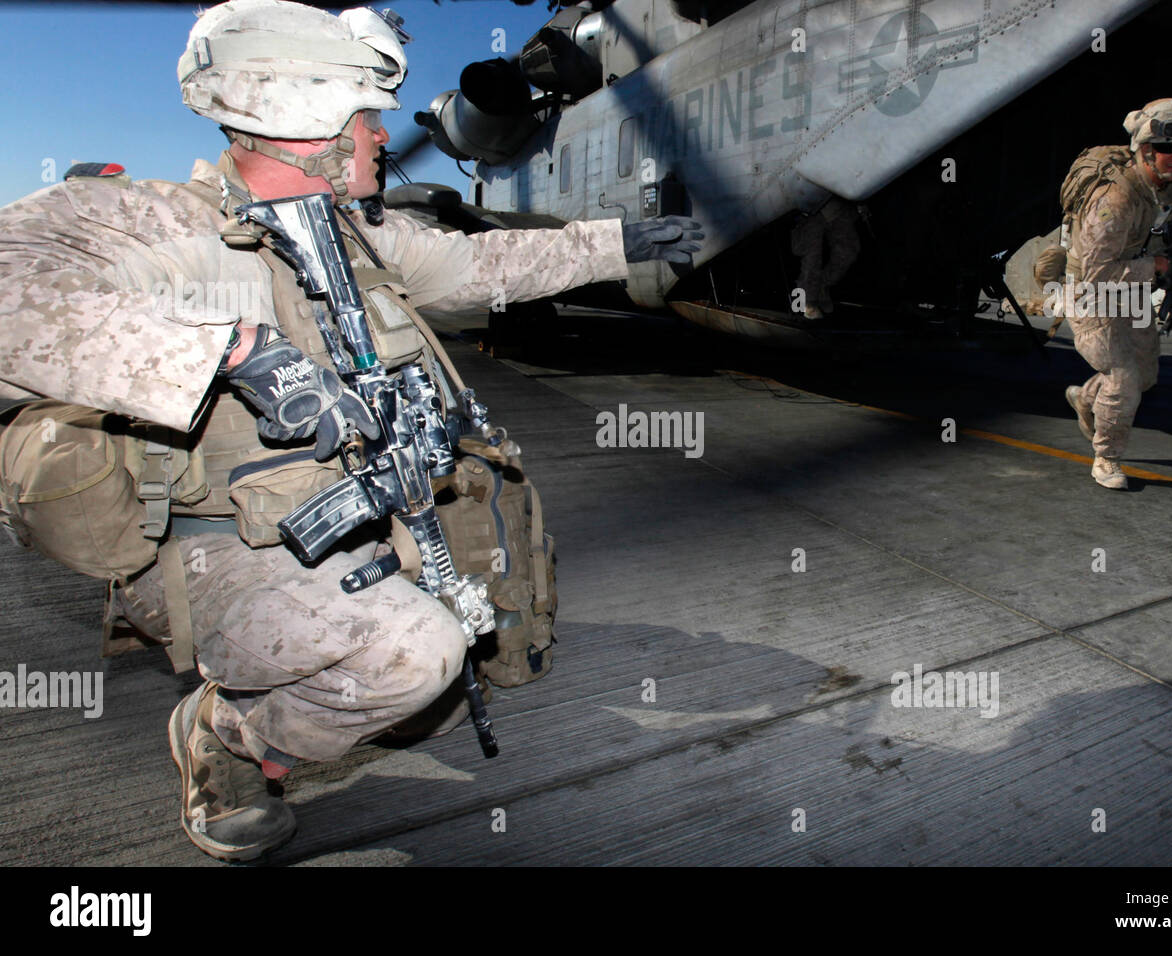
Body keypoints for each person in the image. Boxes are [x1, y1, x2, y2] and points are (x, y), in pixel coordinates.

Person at [0, 0, 700, 862]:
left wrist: (617, 243)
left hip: (358, 508)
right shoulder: (153, 224)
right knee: (417, 657)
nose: (381, 134)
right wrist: (235, 351)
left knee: (490, 607)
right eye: (365, 115)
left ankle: (346, 666)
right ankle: (227, 735)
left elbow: (482, 263)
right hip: (222, 539)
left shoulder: (351, 235)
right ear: (304, 121)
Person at [1061, 98, 1172, 490]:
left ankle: (1086, 399)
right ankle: (1105, 458)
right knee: (1123, 381)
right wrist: (1154, 269)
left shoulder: (1165, 191)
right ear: (1144, 149)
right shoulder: (1115, 198)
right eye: (1166, 148)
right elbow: (1095, 274)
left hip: (1130, 291)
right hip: (1091, 293)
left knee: (1145, 377)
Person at [790, 197, 862, 320]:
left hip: (835, 205)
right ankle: (807, 304)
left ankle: (822, 285)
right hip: (810, 205)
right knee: (812, 255)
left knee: (848, 250)